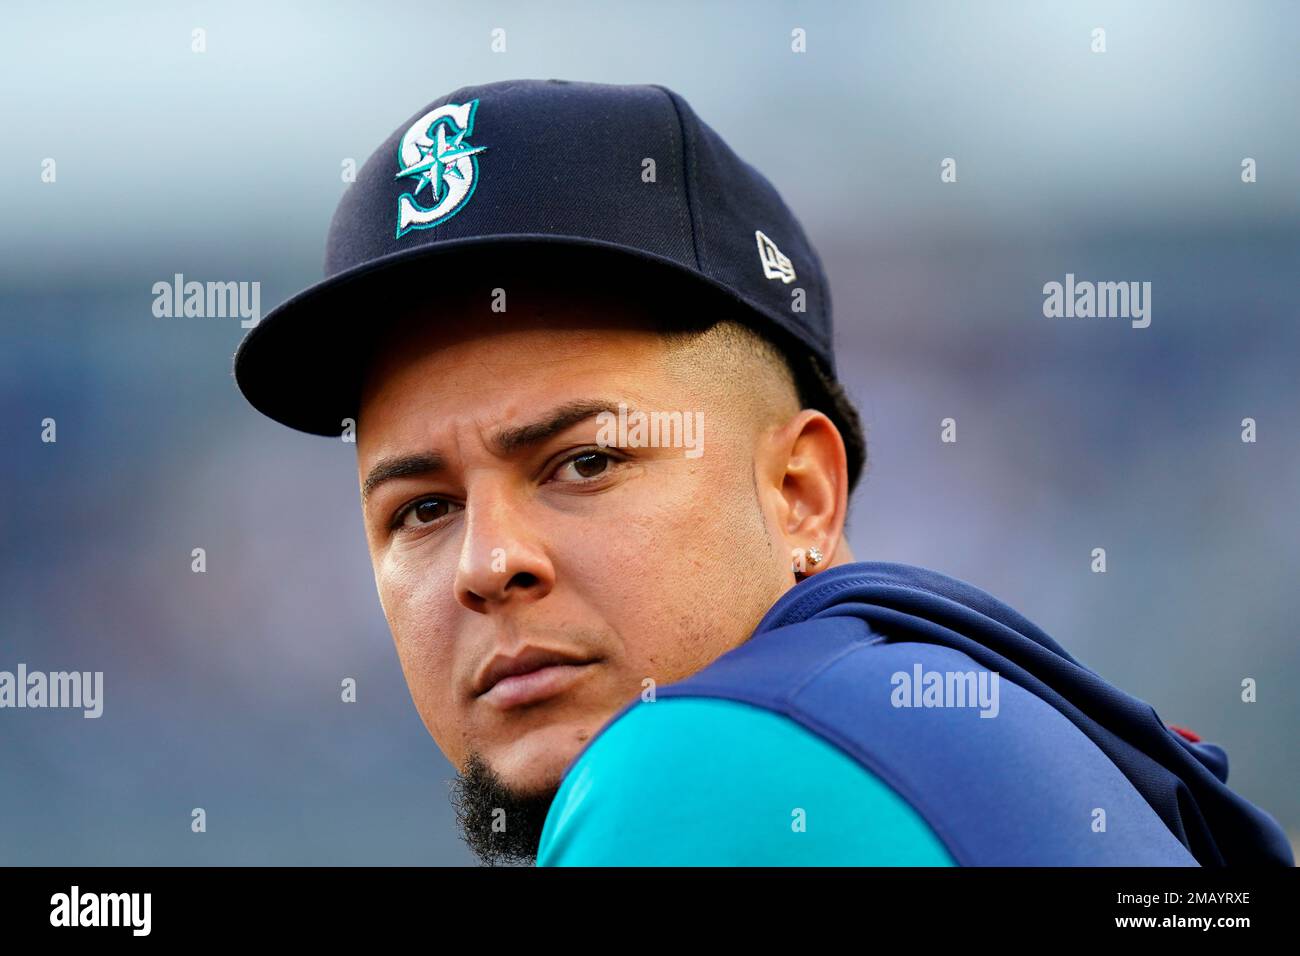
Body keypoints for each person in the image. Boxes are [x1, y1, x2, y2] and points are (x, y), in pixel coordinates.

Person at [233, 78, 1293, 866]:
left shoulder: (693, 770)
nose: (490, 560)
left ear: (799, 495)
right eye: (421, 507)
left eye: (584, 460)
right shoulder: (965, 728)